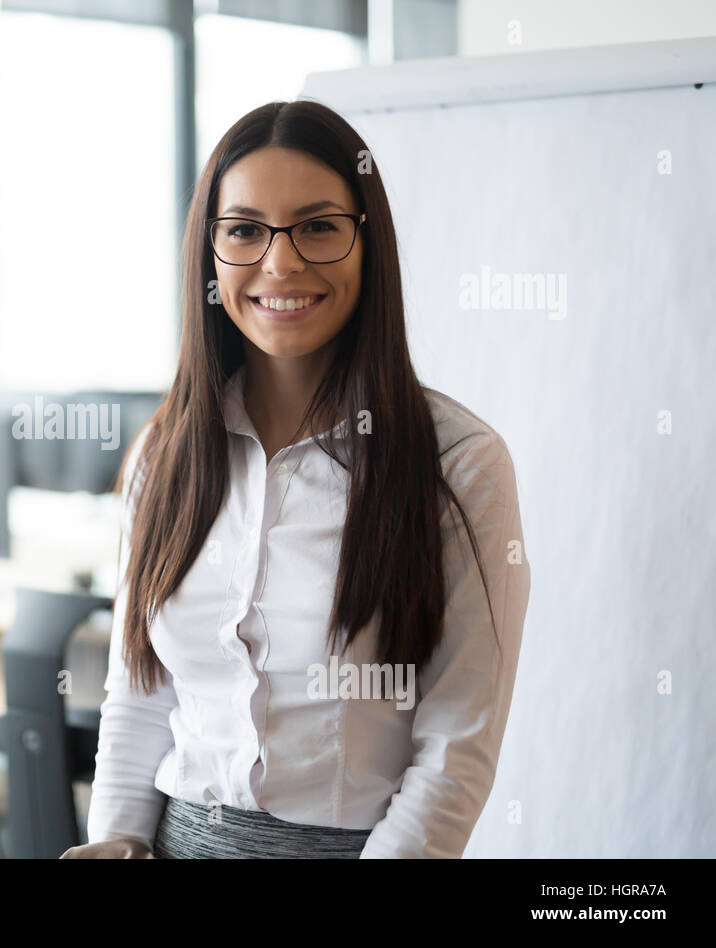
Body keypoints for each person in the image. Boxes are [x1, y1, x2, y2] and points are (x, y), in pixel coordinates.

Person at [61, 99, 531, 859]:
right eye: (244, 230)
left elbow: (457, 743)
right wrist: (114, 838)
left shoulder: (459, 462)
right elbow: (141, 692)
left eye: (317, 226)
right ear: (209, 253)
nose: (280, 264)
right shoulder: (165, 454)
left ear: (366, 245)